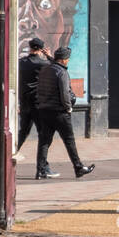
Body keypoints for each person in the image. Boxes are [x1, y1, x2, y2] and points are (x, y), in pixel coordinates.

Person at [35, 47, 94, 179]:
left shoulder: (45, 70)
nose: (68, 61)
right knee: (69, 141)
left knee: (44, 142)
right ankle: (78, 168)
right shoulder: (62, 73)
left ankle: (40, 170)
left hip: (44, 111)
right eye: (67, 59)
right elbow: (65, 94)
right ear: (63, 60)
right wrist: (68, 108)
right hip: (60, 112)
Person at [15, 37, 49, 154]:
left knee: (23, 131)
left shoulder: (21, 63)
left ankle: (11, 153)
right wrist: (48, 55)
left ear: (29, 48)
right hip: (37, 103)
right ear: (41, 49)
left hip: (24, 102)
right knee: (43, 133)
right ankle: (42, 165)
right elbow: (57, 66)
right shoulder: (43, 63)